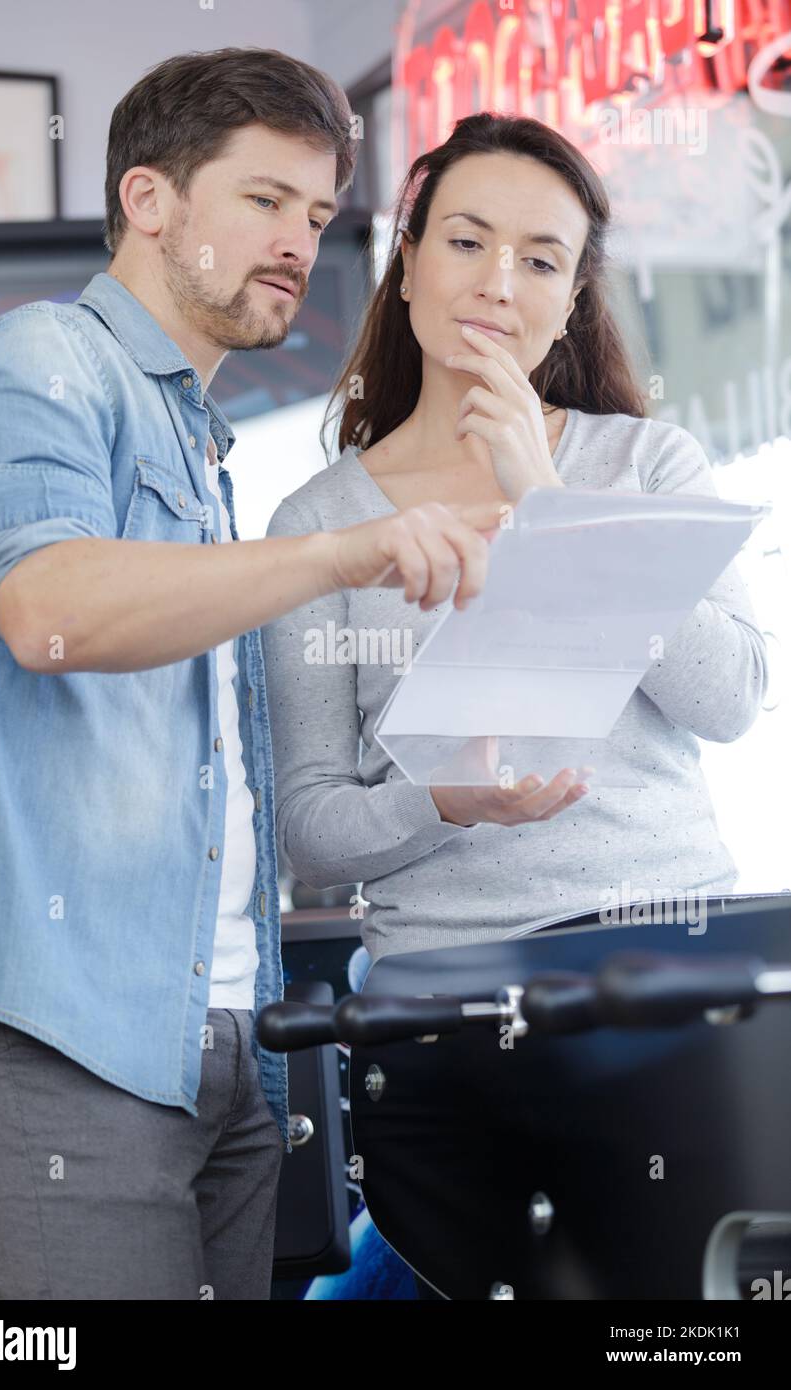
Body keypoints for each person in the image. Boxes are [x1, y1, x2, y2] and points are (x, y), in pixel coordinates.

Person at [0, 49, 503, 1301]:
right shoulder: (36, 363)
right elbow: (46, 610)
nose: (299, 240)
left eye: (314, 215)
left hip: (239, 1046)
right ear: (147, 200)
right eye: (262, 200)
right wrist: (340, 549)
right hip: (62, 1042)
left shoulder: (205, 447)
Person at [262, 112, 767, 967]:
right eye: (466, 243)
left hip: (674, 952)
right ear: (409, 268)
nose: (499, 284)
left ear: (569, 304)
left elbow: (731, 700)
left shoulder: (647, 462)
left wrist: (551, 502)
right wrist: (443, 803)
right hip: (444, 976)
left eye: (539, 260)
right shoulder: (320, 523)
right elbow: (309, 832)